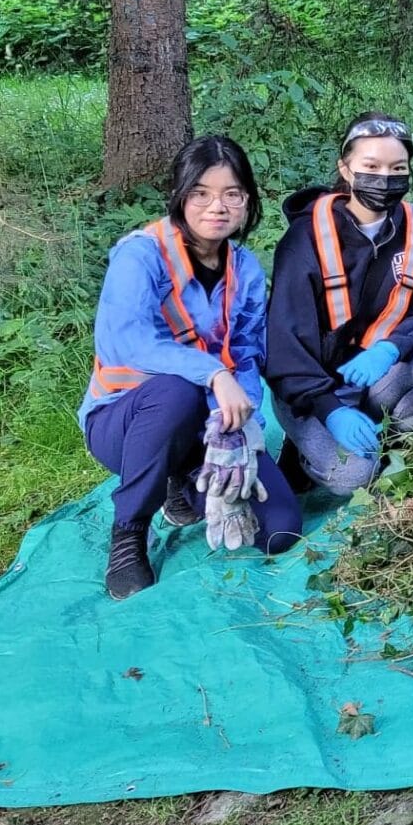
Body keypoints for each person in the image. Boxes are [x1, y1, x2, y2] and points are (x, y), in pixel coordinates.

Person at [80, 135, 302, 600]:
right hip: (127, 421)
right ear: (179, 195)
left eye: (232, 194)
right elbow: (128, 341)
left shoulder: (244, 268)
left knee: (280, 530)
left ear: (247, 201)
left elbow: (246, 352)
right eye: (201, 193)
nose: (217, 207)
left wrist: (240, 431)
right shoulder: (141, 255)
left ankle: (181, 484)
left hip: (207, 424)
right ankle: (129, 533)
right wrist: (212, 374)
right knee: (175, 392)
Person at [266, 113, 413, 494]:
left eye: (398, 168)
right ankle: (303, 450)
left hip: (379, 372)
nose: (385, 178)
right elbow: (284, 350)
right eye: (371, 167)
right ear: (345, 168)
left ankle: (394, 437)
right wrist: (330, 410)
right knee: (354, 476)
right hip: (311, 390)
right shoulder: (304, 239)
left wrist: (391, 348)